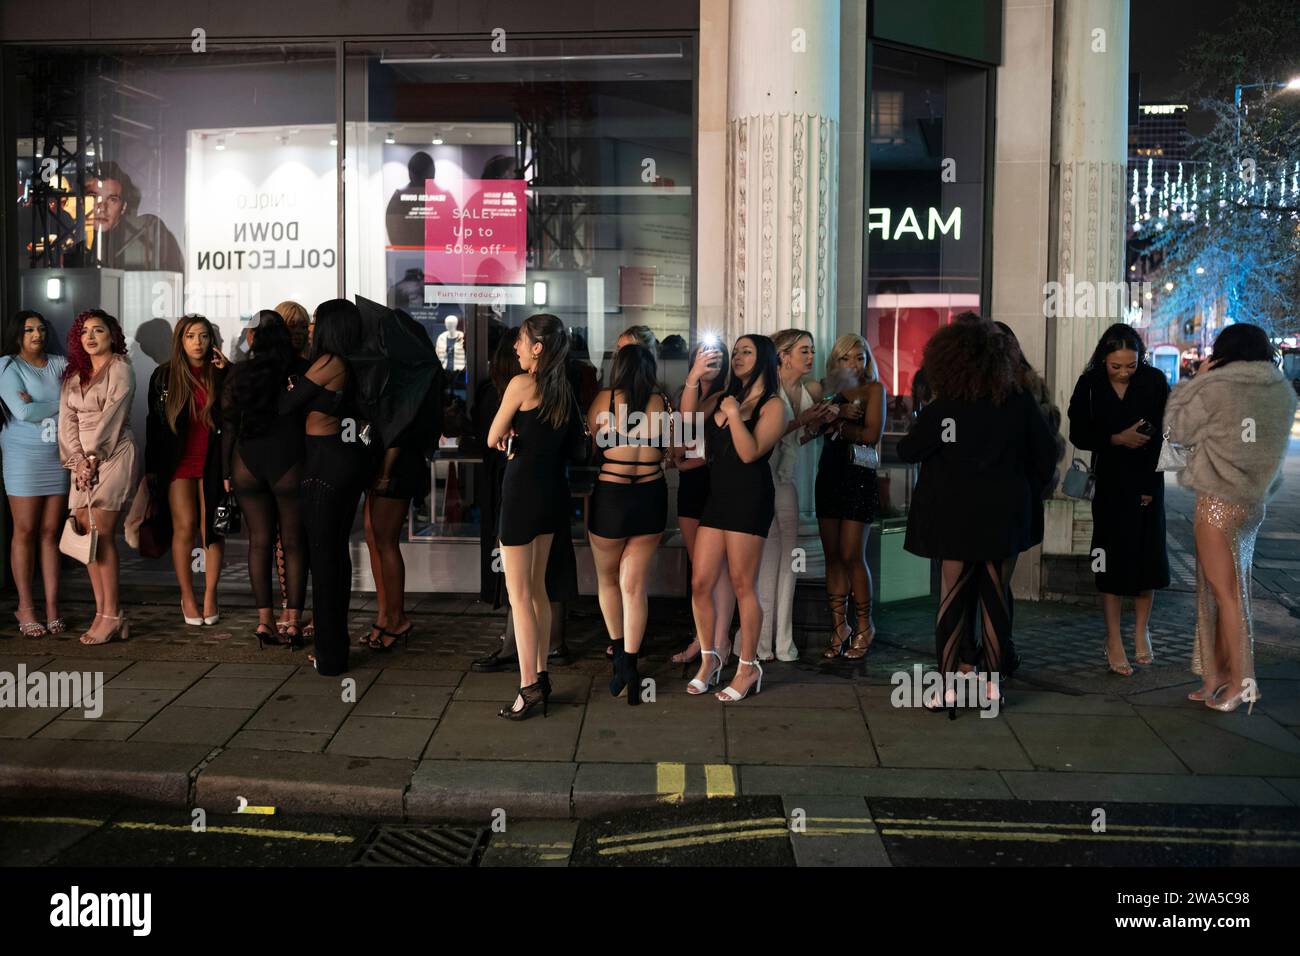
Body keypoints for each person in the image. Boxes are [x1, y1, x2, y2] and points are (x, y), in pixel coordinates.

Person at [899, 319, 1057, 716]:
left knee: (951, 598)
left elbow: (908, 451)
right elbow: (1046, 457)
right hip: (1003, 511)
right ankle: (991, 684)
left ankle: (948, 686)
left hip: (953, 512)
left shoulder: (944, 407)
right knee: (994, 599)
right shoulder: (1018, 402)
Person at [1165, 324, 1297, 713]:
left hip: (1217, 502)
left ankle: (1241, 683)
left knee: (1225, 594)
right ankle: (1215, 676)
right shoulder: (1281, 393)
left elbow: (1177, 430)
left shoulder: (1216, 388)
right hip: (1252, 504)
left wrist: (1196, 382)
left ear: (1223, 353)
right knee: (1222, 590)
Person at [679, 334, 789, 702]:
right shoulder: (724, 397)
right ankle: (711, 658)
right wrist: (694, 379)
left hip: (750, 499)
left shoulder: (773, 405)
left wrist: (733, 416)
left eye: (747, 351)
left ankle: (747, 667)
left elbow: (750, 452)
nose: (738, 356)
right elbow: (686, 426)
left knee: (744, 584)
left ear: (764, 359)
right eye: (737, 351)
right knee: (701, 582)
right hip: (719, 498)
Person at [486, 313, 579, 720]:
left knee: (519, 596)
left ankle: (528, 686)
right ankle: (541, 674)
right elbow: (572, 445)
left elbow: (492, 437)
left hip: (522, 492)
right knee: (538, 591)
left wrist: (508, 436)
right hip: (553, 493)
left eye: (521, 341)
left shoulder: (521, 384)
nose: (516, 348)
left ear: (538, 347)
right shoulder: (564, 391)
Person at [1067, 323, 1170, 677]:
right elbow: (1077, 431)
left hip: (1148, 483)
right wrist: (1115, 438)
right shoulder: (1090, 384)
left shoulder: (1154, 381)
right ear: (1104, 360)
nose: (1125, 372)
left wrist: (1148, 487)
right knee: (1109, 563)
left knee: (1147, 562)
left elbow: (1164, 432)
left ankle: (1142, 632)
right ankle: (1113, 639)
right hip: (1110, 484)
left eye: (1132, 364)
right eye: (1117, 366)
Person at [282, 300, 372, 675]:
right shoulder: (354, 361)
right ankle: (335, 647)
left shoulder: (329, 361)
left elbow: (288, 404)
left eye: (318, 320)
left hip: (324, 464)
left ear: (332, 327)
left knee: (324, 559)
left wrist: (292, 383)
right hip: (344, 461)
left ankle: (330, 655)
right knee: (334, 555)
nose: (313, 326)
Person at [587, 343, 668, 704]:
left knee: (607, 580)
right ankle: (632, 667)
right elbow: (670, 450)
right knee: (634, 585)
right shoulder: (662, 401)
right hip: (650, 495)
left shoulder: (604, 399)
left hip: (612, 496)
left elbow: (593, 442)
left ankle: (619, 656)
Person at [222, 311, 308, 648]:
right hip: (288, 460)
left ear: (253, 338)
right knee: (293, 542)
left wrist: (226, 472)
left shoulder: (239, 374)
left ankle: (264, 621)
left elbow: (228, 425)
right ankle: (293, 621)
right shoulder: (300, 371)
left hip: (247, 461)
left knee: (259, 541)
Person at [58, 310, 140, 644]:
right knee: (85, 534)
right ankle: (104, 613)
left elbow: (113, 418)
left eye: (98, 330)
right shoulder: (73, 374)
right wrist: (77, 461)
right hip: (82, 463)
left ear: (112, 335)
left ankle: (112, 614)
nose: (90, 337)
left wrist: (93, 458)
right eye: (84, 332)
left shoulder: (120, 368)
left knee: (101, 533)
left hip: (113, 453)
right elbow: (66, 422)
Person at [362, 309, 439, 652]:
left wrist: (384, 473)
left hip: (396, 467)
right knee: (376, 539)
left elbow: (398, 434)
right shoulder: (417, 374)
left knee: (384, 540)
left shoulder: (412, 379)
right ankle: (385, 616)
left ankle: (395, 618)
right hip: (392, 466)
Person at [145, 315, 229, 626]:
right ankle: (187, 595)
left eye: (204, 336)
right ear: (181, 340)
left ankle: (210, 595)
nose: (198, 342)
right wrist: (151, 469)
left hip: (213, 461)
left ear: (212, 340)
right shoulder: (164, 376)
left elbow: (237, 413)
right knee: (185, 526)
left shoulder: (219, 374)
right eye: (191, 336)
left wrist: (228, 371)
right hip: (178, 461)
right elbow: (153, 425)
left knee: (212, 529)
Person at [755, 329, 831, 661]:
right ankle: (761, 640)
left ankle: (783, 642)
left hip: (785, 481)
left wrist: (817, 426)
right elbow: (764, 437)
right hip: (760, 480)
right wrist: (803, 420)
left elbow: (794, 441)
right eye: (804, 351)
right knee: (767, 561)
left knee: (789, 560)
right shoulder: (764, 389)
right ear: (784, 355)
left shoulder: (807, 390)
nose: (811, 357)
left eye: (812, 350)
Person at [993, 321, 1066, 667]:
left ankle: (999, 650)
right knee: (991, 580)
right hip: (1006, 497)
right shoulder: (976, 388)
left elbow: (1048, 448)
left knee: (997, 579)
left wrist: (1031, 484)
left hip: (1013, 497)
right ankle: (995, 650)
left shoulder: (1027, 391)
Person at [808, 333, 885, 660]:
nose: (854, 363)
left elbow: (871, 436)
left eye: (860, 357)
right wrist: (832, 415)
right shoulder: (827, 390)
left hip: (859, 476)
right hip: (829, 474)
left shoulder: (874, 390)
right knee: (833, 556)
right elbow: (810, 430)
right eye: (846, 358)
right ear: (835, 361)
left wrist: (839, 423)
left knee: (853, 554)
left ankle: (865, 625)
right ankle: (839, 626)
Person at [0, 311, 70, 636]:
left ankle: (53, 606)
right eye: (29, 329)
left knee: (50, 532)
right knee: (25, 530)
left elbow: (75, 401)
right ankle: (25, 607)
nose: (36, 334)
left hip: (56, 456)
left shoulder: (59, 364)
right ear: (18, 334)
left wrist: (50, 403)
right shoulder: (7, 366)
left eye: (41, 328)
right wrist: (59, 402)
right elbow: (23, 411)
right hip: (23, 457)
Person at [669, 338, 735, 668]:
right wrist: (681, 456)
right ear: (693, 359)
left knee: (717, 570)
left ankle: (720, 640)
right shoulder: (689, 391)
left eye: (719, 356)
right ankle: (704, 637)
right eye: (704, 355)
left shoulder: (727, 397)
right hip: (690, 486)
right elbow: (682, 438)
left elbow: (697, 434)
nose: (712, 360)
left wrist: (688, 457)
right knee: (699, 569)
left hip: (716, 486)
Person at [64, 162, 184, 272]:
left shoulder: (149, 230)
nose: (102, 207)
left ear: (124, 207)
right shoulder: (70, 240)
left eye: (112, 200)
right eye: (94, 197)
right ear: (81, 202)